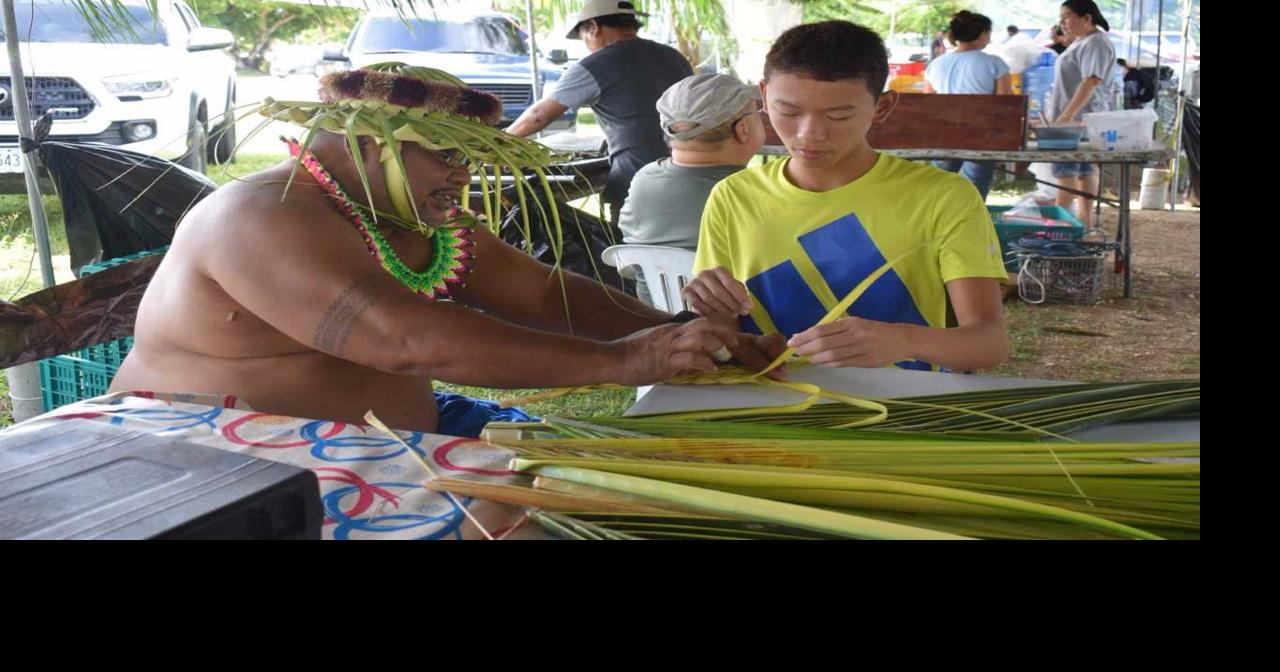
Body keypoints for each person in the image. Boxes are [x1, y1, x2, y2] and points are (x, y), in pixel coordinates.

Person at [110, 64, 780, 438]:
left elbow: (544, 293)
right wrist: (623, 362)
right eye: (451, 156)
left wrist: (679, 335)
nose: (464, 176)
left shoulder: (409, 213)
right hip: (217, 467)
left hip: (386, 446)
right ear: (373, 144)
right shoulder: (257, 216)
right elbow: (401, 341)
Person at [680, 21, 1008, 374]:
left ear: (882, 107)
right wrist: (712, 307)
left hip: (903, 410)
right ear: (763, 96)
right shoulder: (734, 197)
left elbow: (988, 343)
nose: (810, 135)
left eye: (838, 115)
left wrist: (904, 340)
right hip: (772, 404)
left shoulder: (942, 197)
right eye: (788, 112)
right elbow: (725, 336)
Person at [506, 0, 693, 226]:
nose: (585, 43)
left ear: (593, 27)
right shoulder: (674, 57)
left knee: (633, 254)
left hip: (638, 180)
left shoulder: (594, 65)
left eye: (583, 35)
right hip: (692, 171)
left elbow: (539, 115)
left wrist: (499, 142)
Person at [617, 74, 766, 251]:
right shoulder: (755, 192)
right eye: (756, 113)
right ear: (744, 129)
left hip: (648, 280)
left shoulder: (643, 179)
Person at [923, 10, 1012, 200]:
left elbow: (927, 105)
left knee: (939, 189)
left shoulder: (936, 64)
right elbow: (1007, 106)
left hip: (942, 136)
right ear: (982, 34)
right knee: (975, 191)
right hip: (982, 137)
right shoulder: (994, 63)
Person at [1047, 0, 1117, 229]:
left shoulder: (1095, 42)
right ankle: (1083, 226)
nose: (1063, 23)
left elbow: (1092, 80)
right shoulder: (1083, 42)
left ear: (1086, 18)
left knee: (1069, 169)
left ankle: (1059, 225)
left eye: (1067, 16)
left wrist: (1067, 115)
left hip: (1079, 120)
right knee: (1085, 170)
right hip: (1079, 119)